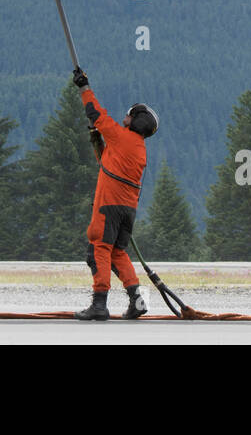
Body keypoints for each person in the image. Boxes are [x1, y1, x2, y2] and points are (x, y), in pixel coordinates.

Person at [71, 67, 159, 321]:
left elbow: (96, 114)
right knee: (117, 253)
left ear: (136, 120)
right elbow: (106, 161)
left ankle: (99, 304)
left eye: (129, 115)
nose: (125, 117)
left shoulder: (121, 137)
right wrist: (94, 138)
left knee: (98, 249)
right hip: (127, 210)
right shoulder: (138, 148)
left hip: (108, 205)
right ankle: (137, 301)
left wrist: (84, 87)